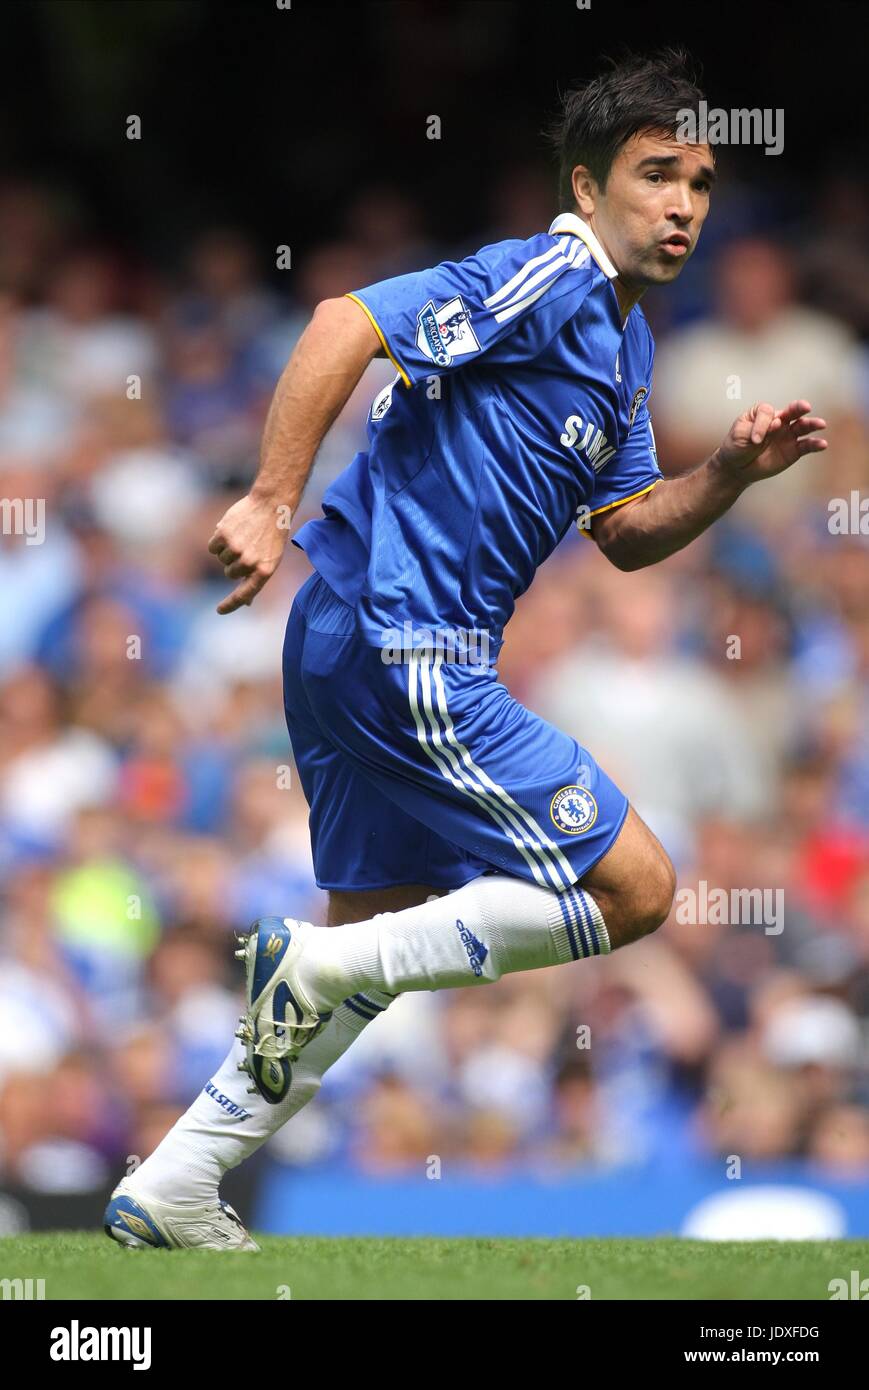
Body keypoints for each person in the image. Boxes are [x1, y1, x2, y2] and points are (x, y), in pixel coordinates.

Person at [104, 48, 827, 1250]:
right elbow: (348, 321)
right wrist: (271, 500)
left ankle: (179, 1177)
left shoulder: (622, 345)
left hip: (347, 643)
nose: (683, 205)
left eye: (699, 182)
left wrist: (730, 471)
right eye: (655, 175)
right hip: (406, 640)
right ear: (587, 190)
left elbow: (626, 535)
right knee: (636, 886)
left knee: (369, 943)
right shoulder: (546, 271)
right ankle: (311, 975)